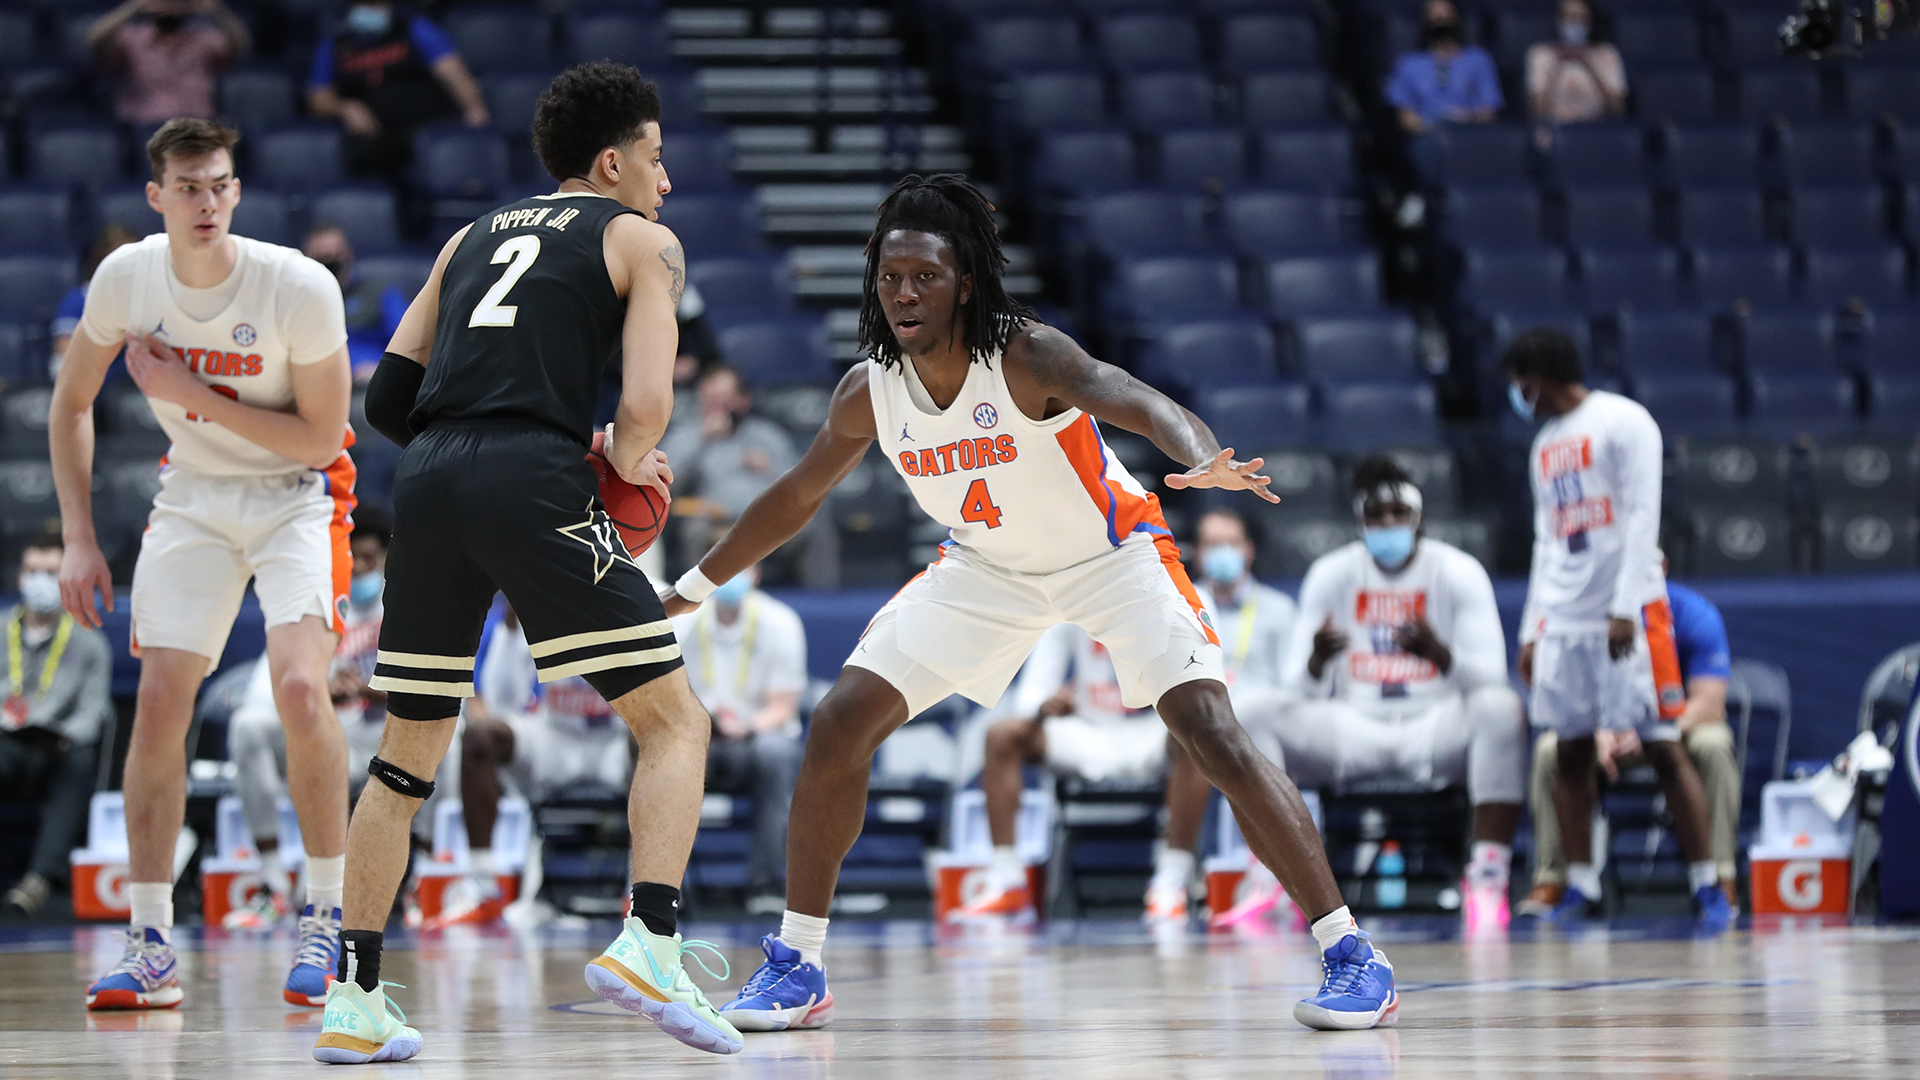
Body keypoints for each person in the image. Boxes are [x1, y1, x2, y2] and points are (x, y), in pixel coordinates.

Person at [686, 173, 1398, 1035]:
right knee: (840, 720)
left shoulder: (1026, 356)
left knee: (1209, 728)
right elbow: (793, 499)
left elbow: (1138, 398)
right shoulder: (866, 392)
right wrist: (690, 589)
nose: (904, 294)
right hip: (988, 568)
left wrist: (1202, 454)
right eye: (889, 277)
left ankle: (1353, 953)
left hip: (1112, 553)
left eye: (925, 277)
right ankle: (797, 965)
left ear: (967, 283)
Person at [318, 62, 745, 1062]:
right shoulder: (643, 240)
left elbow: (384, 403)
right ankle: (651, 938)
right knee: (675, 717)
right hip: (531, 475)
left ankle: (354, 996)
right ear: (613, 161)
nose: (667, 180)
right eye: (655, 157)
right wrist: (623, 468)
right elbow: (645, 407)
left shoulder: (467, 239)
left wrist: (469, 445)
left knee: (406, 751)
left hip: (427, 480)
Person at [50, 119, 356, 1011]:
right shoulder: (127, 278)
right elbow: (72, 404)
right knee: (156, 702)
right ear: (157, 197)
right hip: (192, 496)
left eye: (219, 184)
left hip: (300, 492)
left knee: (300, 692)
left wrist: (191, 395)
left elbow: (321, 433)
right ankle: (149, 943)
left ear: (236, 189)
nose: (206, 202)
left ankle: (328, 916)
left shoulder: (296, 285)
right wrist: (77, 535)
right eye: (187, 187)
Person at [963, 507, 1297, 925]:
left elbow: (1205, 686)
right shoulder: (1063, 596)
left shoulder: (1179, 592)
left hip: (1151, 731)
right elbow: (1032, 693)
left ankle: (1170, 881)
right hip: (1088, 731)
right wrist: (1045, 708)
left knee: (1196, 733)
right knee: (1002, 735)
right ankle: (1008, 879)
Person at [1236, 458, 1526, 933]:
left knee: (1502, 708)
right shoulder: (1332, 574)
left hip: (1435, 726)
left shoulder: (1458, 571)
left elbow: (1491, 677)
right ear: (1360, 522)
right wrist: (1316, 661)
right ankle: (1273, 878)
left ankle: (1489, 876)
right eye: (1376, 516)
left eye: (1397, 514)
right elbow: (1297, 688)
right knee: (1253, 713)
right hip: (1355, 725)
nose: (1387, 524)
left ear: (1418, 518)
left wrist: (1440, 654)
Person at [1503, 327, 1732, 929]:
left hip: (1627, 611)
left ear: (1541, 377)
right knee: (1573, 751)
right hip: (1567, 618)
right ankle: (1581, 883)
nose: (1518, 395)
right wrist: (1533, 628)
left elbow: (1641, 515)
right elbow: (1545, 539)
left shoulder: (1625, 421)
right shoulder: (1545, 445)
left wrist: (1626, 606)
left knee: (1663, 746)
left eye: (1521, 384)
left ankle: (1709, 883)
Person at [1522, 559, 1739, 914]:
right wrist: (1597, 731)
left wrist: (1656, 730)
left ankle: (1720, 878)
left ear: (1662, 569)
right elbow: (1574, 694)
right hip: (1608, 731)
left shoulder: (1693, 613)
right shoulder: (1585, 614)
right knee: (1552, 749)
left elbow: (1710, 702)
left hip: (1676, 726)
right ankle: (1554, 880)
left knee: (1714, 744)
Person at [226, 513, 390, 940]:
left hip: (382, 739)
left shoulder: (408, 602)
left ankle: (423, 882)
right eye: (349, 558)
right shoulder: (310, 604)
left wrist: (381, 690)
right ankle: (273, 883)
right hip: (322, 737)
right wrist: (317, 691)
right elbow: (263, 697)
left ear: (388, 560)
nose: (357, 569)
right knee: (249, 726)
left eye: (369, 558)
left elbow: (441, 690)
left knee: (449, 728)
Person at [451, 602, 635, 928]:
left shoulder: (642, 593)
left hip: (616, 740)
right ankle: (483, 887)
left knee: (652, 742)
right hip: (556, 736)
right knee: (480, 736)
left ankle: (640, 893)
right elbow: (501, 703)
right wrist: (511, 628)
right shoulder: (544, 594)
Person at [671, 564, 807, 912]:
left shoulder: (781, 622)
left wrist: (744, 726)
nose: (729, 579)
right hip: (702, 736)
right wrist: (706, 723)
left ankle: (766, 884)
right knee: (665, 755)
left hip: (757, 734)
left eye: (739, 569)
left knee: (775, 753)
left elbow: (783, 707)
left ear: (756, 575)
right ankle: (666, 888)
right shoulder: (685, 622)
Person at [0, 535, 114, 920]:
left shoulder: (89, 644)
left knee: (78, 762)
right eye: (33, 571)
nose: (39, 580)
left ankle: (37, 882)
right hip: (5, 745)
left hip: (55, 750)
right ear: (19, 576)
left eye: (50, 573)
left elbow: (93, 713)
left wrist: (65, 736)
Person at [661, 365, 834, 587]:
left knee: (814, 527)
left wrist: (770, 469)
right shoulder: (688, 435)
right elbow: (666, 482)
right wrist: (702, 439)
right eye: (710, 400)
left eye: (723, 399)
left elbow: (805, 486)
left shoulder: (766, 434)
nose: (717, 408)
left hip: (767, 522)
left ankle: (821, 603)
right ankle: (693, 600)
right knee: (694, 532)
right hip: (713, 521)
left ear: (742, 400)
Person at [306, 2, 490, 182]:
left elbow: (452, 72)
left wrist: (475, 111)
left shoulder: (413, 26)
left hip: (423, 128)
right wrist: (345, 107)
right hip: (375, 139)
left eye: (377, 4)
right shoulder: (337, 42)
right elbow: (317, 98)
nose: (371, 9)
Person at [88, 0, 250, 125]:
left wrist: (216, 10)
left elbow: (240, 46)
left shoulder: (203, 37)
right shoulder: (133, 38)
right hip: (145, 126)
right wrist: (136, 6)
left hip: (197, 125)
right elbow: (94, 41)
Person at [1386, 0, 1503, 139]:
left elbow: (1489, 111)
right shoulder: (1408, 63)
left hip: (1470, 134)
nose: (1441, 24)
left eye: (1446, 19)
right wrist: (1434, 129)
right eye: (1435, 19)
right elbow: (1405, 117)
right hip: (1427, 136)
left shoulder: (1478, 59)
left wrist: (1465, 120)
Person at [53, 226, 141, 379]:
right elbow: (66, 350)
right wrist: (115, 337)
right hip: (93, 380)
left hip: (135, 380)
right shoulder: (79, 299)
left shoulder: (146, 297)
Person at [1526, 0, 1626, 128]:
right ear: (1559, 19)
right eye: (1570, 16)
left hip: (1598, 129)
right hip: (1555, 129)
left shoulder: (1607, 54)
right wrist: (1556, 67)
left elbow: (1618, 110)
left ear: (1591, 21)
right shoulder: (1541, 54)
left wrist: (1589, 66)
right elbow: (1536, 112)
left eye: (1581, 17)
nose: (1575, 23)